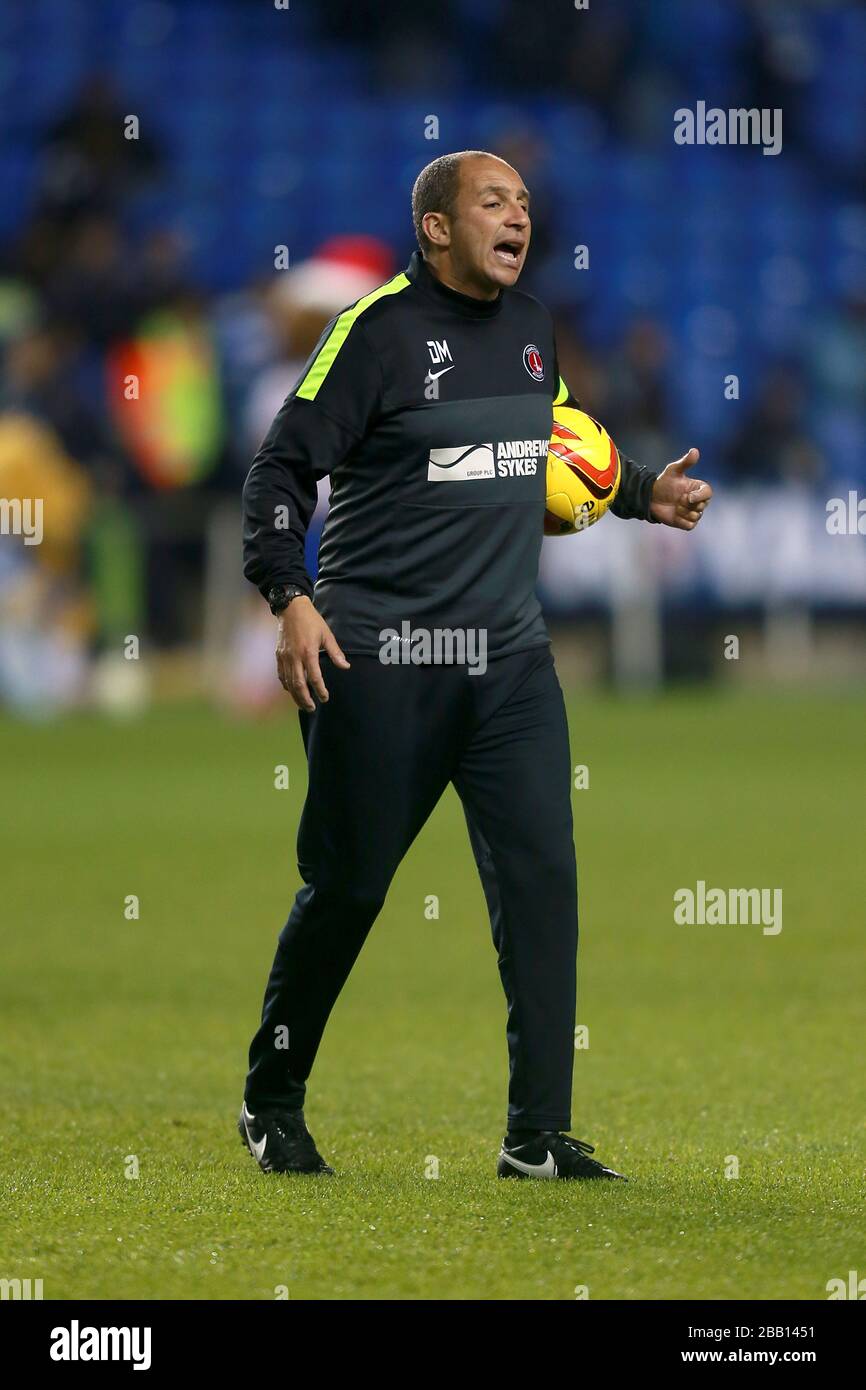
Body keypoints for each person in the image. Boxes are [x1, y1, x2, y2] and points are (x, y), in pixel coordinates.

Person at [238, 151, 712, 1180]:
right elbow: (279, 466)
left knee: (542, 881)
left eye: (525, 205)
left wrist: (640, 492)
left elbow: (555, 446)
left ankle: (534, 1135)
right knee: (348, 886)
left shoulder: (534, 331)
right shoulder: (373, 333)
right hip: (382, 661)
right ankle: (270, 1095)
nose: (516, 218)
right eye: (491, 203)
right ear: (436, 227)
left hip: (507, 663)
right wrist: (289, 595)